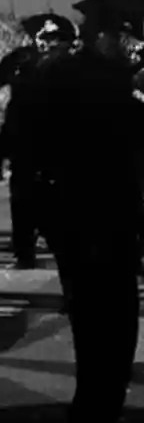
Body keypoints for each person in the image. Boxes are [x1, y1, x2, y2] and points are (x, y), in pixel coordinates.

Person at [29, 0, 144, 422]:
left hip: (71, 215)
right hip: (100, 217)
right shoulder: (104, 81)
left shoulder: (62, 72)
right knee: (111, 323)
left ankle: (94, 403)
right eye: (129, 39)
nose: (134, 48)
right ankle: (98, 408)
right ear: (109, 36)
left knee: (91, 319)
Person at [1, 14, 77, 269]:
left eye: (55, 38)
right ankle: (24, 250)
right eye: (45, 37)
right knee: (21, 194)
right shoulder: (21, 58)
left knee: (55, 196)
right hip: (22, 135)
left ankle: (58, 245)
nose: (48, 43)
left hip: (55, 138)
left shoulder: (70, 64)